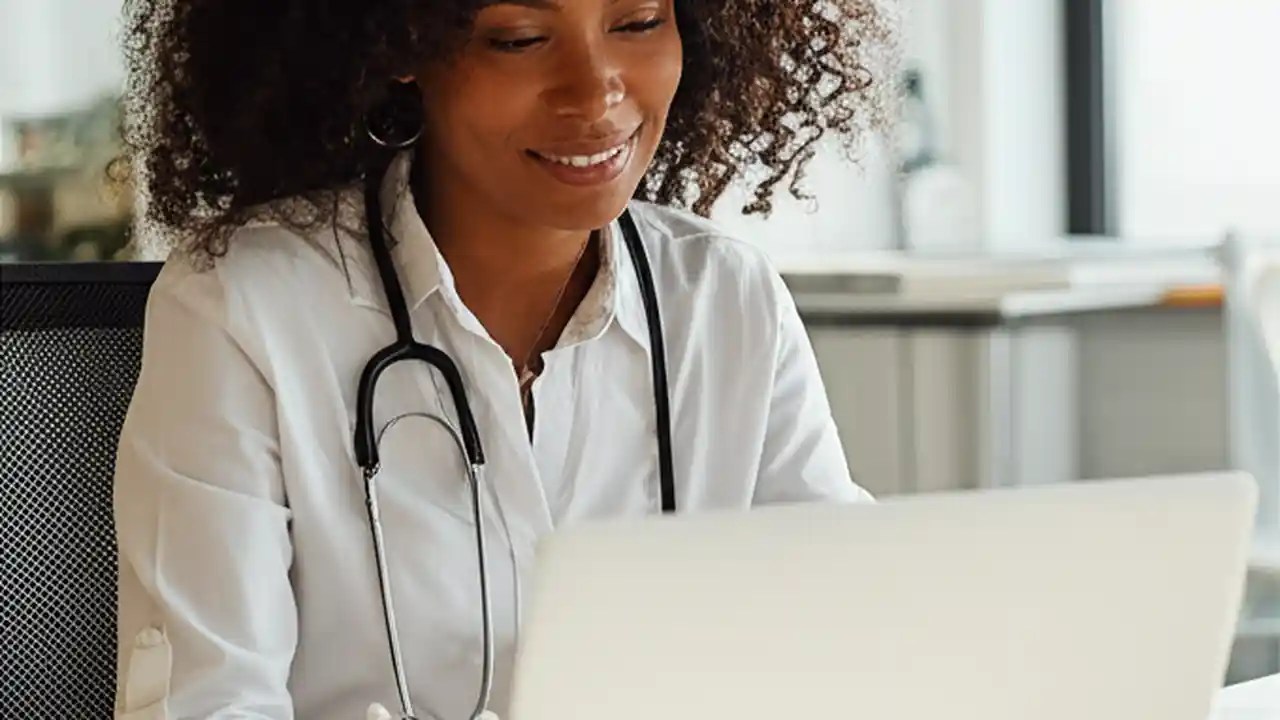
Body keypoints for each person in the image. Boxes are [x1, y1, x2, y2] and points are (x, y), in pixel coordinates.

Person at [111, 0, 896, 717]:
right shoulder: (245, 307)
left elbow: (848, 648)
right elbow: (206, 703)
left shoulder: (723, 299)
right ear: (402, 45)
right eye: (521, 39)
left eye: (638, 23)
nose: (594, 95)